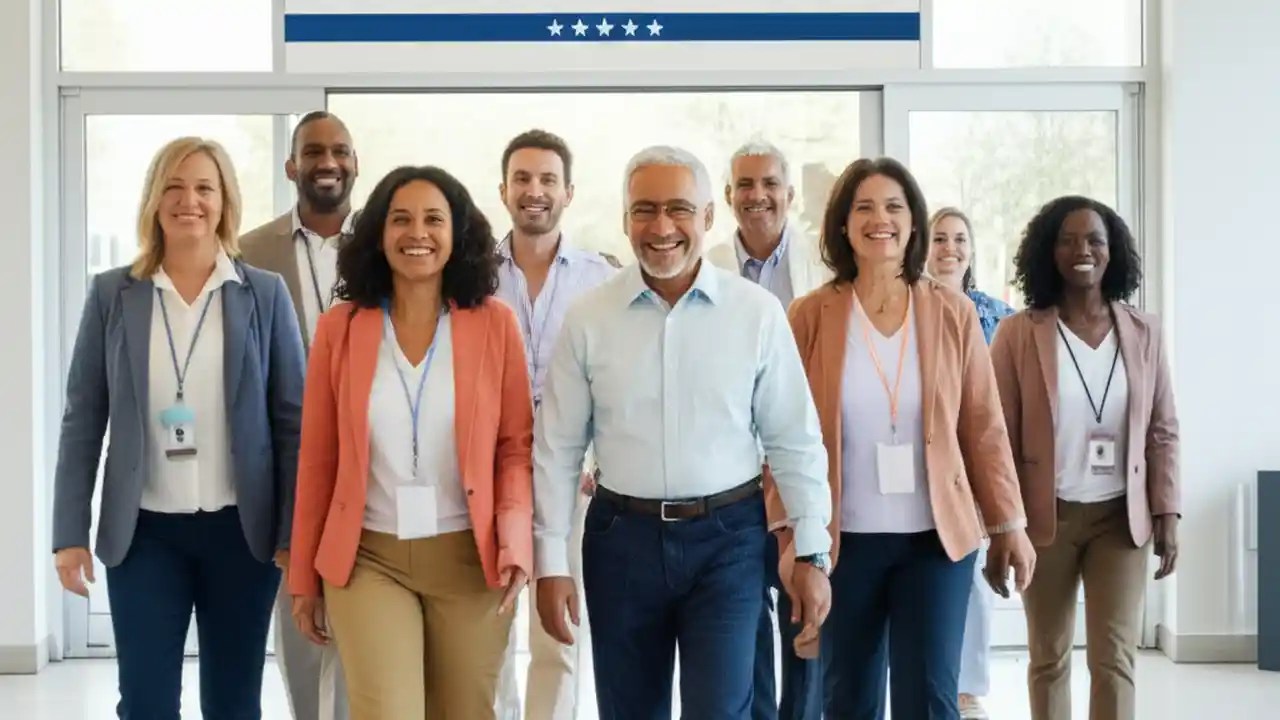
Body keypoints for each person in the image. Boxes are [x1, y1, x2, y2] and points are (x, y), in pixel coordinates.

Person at [533, 145, 833, 719]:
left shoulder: (756, 313)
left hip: (730, 542)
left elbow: (793, 438)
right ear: (625, 221)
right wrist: (551, 563)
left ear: (707, 218)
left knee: (723, 711)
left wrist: (813, 550)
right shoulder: (589, 318)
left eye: (679, 209)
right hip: (621, 543)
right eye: (644, 210)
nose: (662, 227)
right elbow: (558, 450)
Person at [51, 136, 306, 718]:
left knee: (234, 701)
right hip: (144, 536)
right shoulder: (112, 294)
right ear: (153, 200)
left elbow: (292, 425)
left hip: (244, 536)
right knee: (144, 701)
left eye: (204, 188)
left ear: (224, 202)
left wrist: (293, 532)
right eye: (174, 186)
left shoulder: (263, 295)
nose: (188, 200)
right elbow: (83, 417)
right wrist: (69, 530)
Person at [783, 157, 1037, 719]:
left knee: (930, 700)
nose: (881, 219)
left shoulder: (952, 312)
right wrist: (792, 542)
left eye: (895, 206)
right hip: (842, 542)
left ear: (914, 222)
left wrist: (1008, 524)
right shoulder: (810, 316)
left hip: (935, 543)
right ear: (843, 224)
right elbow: (784, 439)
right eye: (864, 207)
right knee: (848, 698)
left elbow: (983, 425)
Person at [288, 165, 534, 719]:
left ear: (457, 233)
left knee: (465, 711)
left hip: (471, 558)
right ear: (378, 233)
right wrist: (304, 575)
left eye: (432, 220)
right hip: (370, 556)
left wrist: (516, 539)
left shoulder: (496, 325)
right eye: (400, 219)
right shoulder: (340, 328)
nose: (416, 233)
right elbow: (318, 460)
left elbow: (515, 448)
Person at [990, 196, 1180, 720]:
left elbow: (1162, 429)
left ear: (1112, 250)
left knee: (1114, 658)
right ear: (1047, 252)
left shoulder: (1144, 332)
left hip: (1121, 519)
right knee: (1047, 657)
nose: (1082, 250)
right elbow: (996, 435)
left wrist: (1167, 512)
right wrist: (1000, 528)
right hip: (1043, 520)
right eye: (1068, 239)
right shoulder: (1017, 334)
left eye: (1095, 239)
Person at [491, 129, 618, 720]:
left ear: (568, 192)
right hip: (490, 481)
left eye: (546, 180)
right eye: (522, 179)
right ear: (503, 190)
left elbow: (617, 383)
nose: (534, 191)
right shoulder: (470, 278)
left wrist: (599, 461)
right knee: (487, 638)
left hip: (573, 482)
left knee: (560, 633)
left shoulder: (602, 280)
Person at [239, 109, 357, 720]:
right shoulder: (250, 251)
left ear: (356, 163)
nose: (328, 162)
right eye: (314, 152)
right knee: (301, 628)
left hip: (371, 461)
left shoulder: (388, 244)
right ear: (292, 166)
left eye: (340, 150)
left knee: (365, 637)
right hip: (287, 466)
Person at [707, 139, 829, 720]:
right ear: (729, 197)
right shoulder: (699, 263)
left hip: (798, 464)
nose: (758, 197)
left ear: (789, 194)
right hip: (730, 474)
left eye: (769, 184)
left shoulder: (826, 267)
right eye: (745, 186)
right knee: (741, 620)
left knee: (805, 610)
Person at [926, 206, 1015, 720]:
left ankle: (969, 687)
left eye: (960, 238)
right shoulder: (909, 307)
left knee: (976, 580)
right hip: (924, 465)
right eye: (940, 238)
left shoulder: (998, 316)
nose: (950, 248)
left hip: (977, 464)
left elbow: (1001, 404)